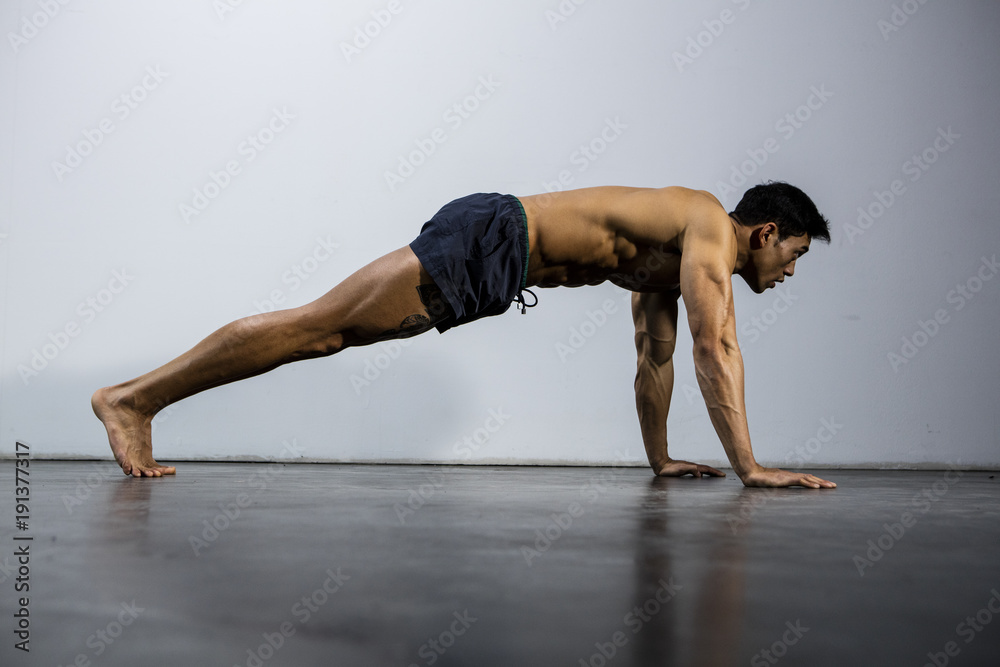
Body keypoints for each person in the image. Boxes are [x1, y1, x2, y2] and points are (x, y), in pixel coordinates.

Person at [92, 182, 836, 488]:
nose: (790, 272)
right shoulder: (708, 222)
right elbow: (718, 346)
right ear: (767, 231)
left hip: (497, 256)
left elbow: (659, 357)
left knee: (326, 332)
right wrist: (752, 469)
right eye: (794, 255)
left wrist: (663, 457)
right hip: (496, 236)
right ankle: (133, 400)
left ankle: (138, 401)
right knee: (321, 329)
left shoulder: (672, 260)